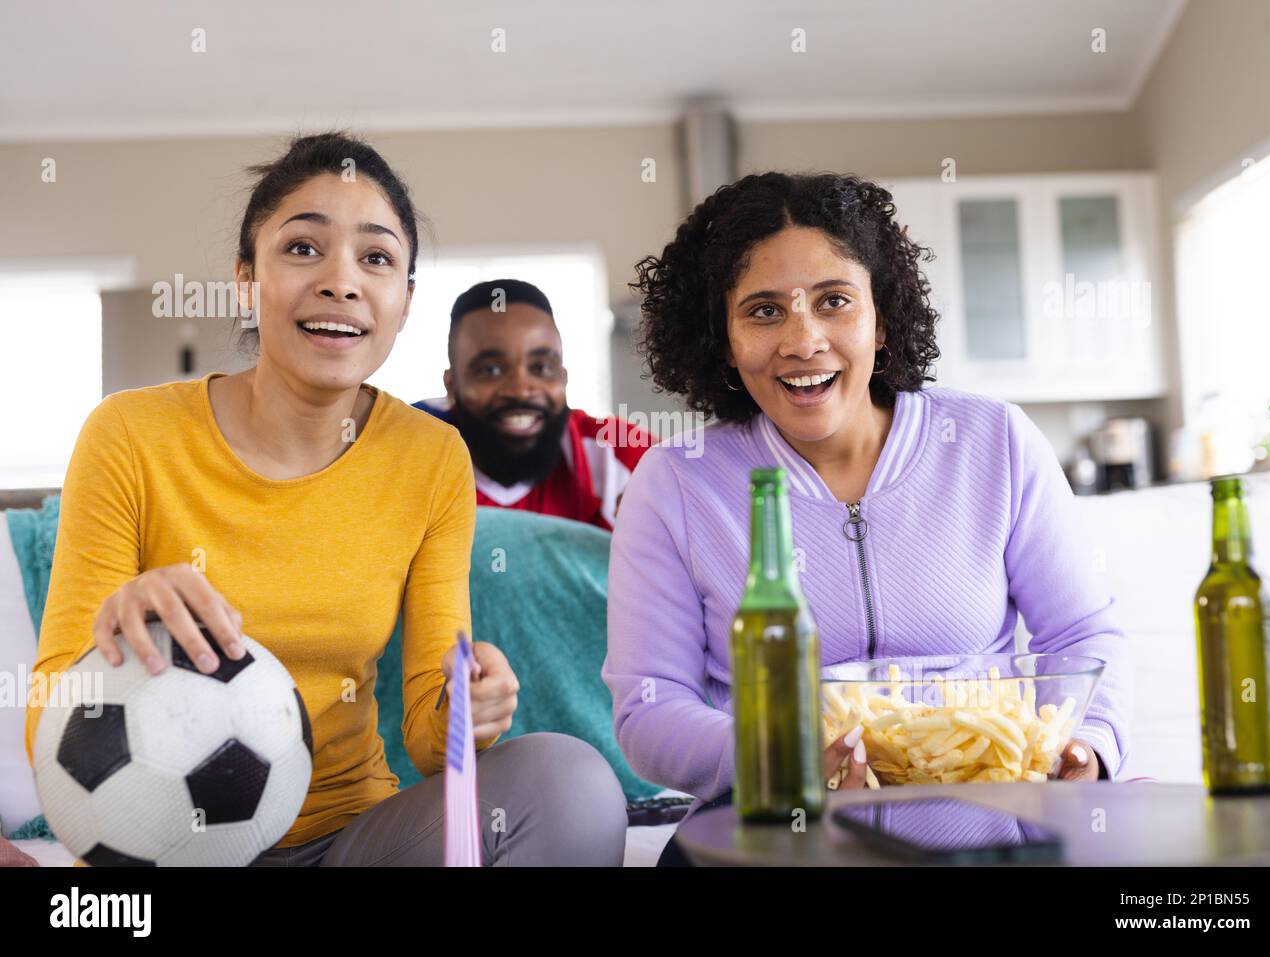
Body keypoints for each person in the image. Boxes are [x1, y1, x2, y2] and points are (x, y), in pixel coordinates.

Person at [25, 132, 627, 866]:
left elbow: (430, 736)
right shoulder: (127, 432)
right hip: (167, 852)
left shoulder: (431, 457)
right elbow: (46, 722)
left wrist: (473, 709)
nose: (341, 280)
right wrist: (114, 640)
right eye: (303, 248)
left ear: (404, 302)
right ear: (245, 281)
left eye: (375, 258)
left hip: (346, 843)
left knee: (572, 785)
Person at [601, 171, 1133, 866]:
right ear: (723, 338)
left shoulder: (994, 442)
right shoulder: (674, 484)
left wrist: (1086, 742)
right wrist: (783, 752)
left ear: (880, 321)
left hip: (991, 830)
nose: (803, 339)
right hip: (777, 833)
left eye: (834, 301)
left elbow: (1083, 631)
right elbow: (650, 702)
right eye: (763, 311)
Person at [413, 279, 653, 530]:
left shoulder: (621, 458)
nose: (520, 390)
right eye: (491, 370)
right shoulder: (407, 452)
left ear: (563, 377)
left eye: (541, 367)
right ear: (452, 386)